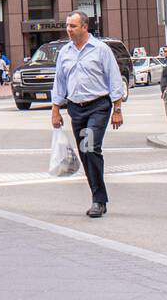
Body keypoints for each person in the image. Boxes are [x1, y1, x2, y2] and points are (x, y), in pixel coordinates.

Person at [50, 12, 125, 218]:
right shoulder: (65, 52)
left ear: (84, 27)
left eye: (73, 26)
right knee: (85, 153)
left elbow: (114, 80)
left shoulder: (101, 50)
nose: (69, 29)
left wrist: (117, 110)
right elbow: (59, 82)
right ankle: (97, 195)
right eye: (67, 26)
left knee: (91, 148)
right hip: (75, 108)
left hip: (98, 105)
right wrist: (55, 110)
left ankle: (99, 200)